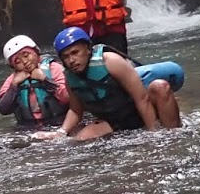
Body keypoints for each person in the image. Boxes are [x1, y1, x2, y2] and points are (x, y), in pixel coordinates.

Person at [53, 26, 181, 140]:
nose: (71, 60)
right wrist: (61, 132)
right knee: (80, 139)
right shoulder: (70, 77)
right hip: (114, 120)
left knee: (160, 87)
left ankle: (173, 136)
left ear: (87, 49)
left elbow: (142, 98)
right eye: (65, 56)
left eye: (75, 52)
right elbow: (75, 110)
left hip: (136, 109)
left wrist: (153, 134)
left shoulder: (111, 61)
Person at [0, 35, 69, 131]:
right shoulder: (12, 79)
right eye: (17, 61)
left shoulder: (54, 68)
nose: (25, 61)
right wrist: (14, 86)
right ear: (13, 66)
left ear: (36, 52)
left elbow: (67, 98)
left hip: (58, 123)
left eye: (26, 55)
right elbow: (3, 109)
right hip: (27, 128)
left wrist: (45, 79)